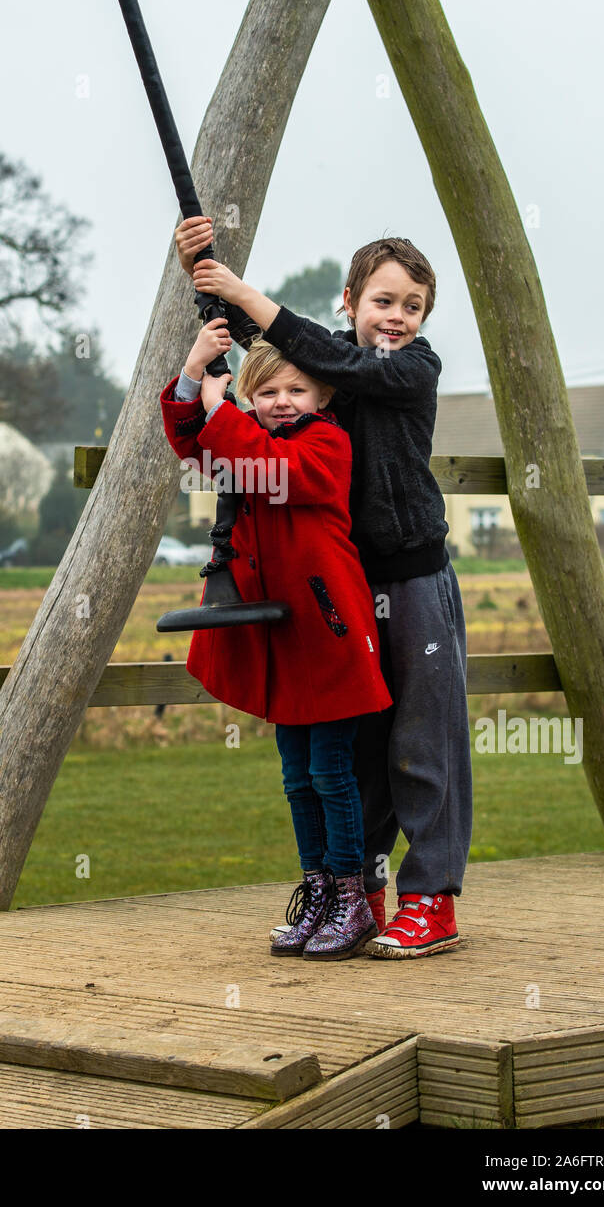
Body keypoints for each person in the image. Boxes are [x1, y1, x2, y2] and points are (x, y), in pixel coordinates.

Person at [174, 217, 471, 959]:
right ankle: (357, 886)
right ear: (349, 301)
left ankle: (431, 897)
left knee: (421, 742)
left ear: (424, 318)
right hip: (340, 590)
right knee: (357, 747)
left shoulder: (411, 369)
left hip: (412, 579)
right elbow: (268, 349)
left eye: (411, 305)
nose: (395, 317)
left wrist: (240, 290)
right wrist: (203, 275)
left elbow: (309, 349)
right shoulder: (320, 371)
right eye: (382, 301)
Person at [159, 316, 392, 960]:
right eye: (266, 394)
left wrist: (222, 408)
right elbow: (194, 446)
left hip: (328, 632)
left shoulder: (322, 447)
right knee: (296, 776)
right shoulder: (248, 443)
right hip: (279, 637)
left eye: (295, 391)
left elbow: (271, 469)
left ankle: (350, 897)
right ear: (252, 400)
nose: (281, 403)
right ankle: (317, 889)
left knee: (330, 771)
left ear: (322, 397)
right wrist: (195, 372)